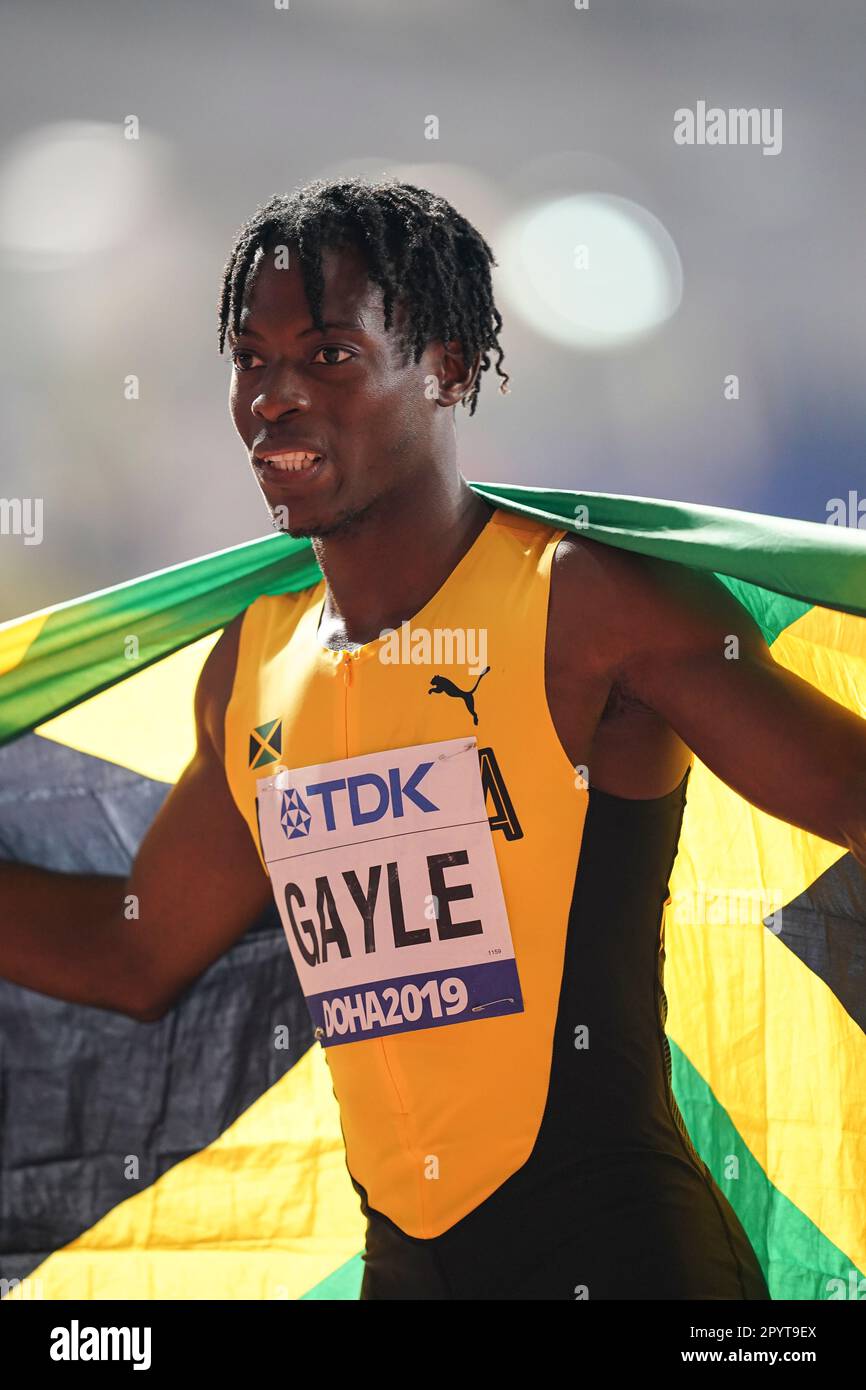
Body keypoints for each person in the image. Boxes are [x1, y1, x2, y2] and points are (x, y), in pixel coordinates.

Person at [3, 178, 865, 1300]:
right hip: (403, 1273)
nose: (272, 398)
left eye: (327, 357)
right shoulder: (252, 667)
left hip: (626, 1261)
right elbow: (131, 956)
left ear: (446, 370)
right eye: (249, 358)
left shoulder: (585, 604)